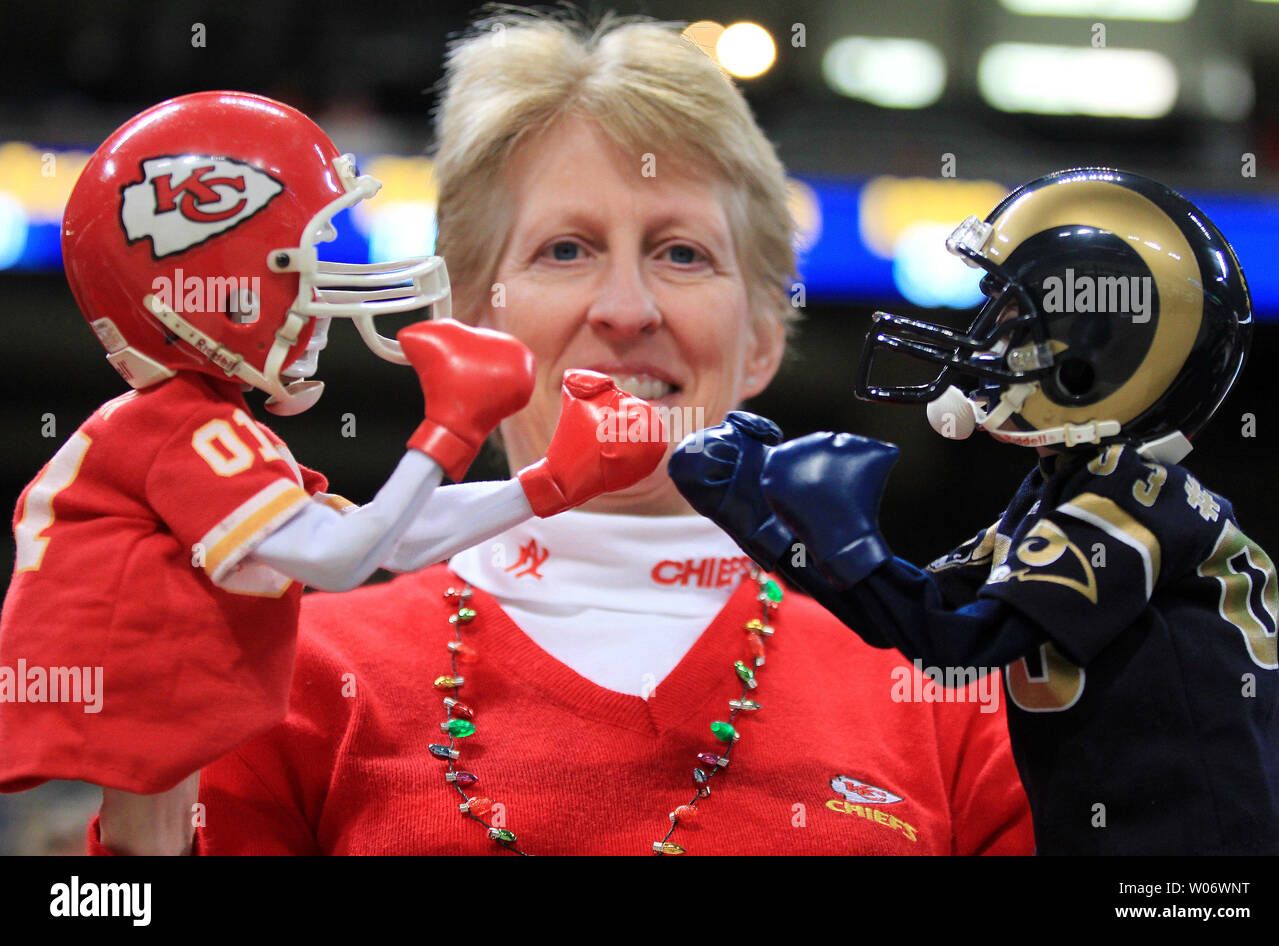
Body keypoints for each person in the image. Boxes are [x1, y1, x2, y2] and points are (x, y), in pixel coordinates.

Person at [88, 10, 1033, 856]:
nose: (625, 309)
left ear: (761, 341)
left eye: (681, 253)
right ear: (470, 325)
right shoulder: (288, 673)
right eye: (565, 250)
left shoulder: (945, 697)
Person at [0, 89, 664, 845]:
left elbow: (386, 540)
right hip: (132, 717)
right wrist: (448, 428)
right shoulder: (176, 432)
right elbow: (344, 560)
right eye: (303, 265)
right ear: (222, 284)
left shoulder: (194, 428)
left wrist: (546, 483)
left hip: (152, 726)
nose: (323, 293)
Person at [674, 168, 1279, 855]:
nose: (984, 339)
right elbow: (922, 613)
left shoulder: (1139, 500)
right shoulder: (1070, 490)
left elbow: (958, 649)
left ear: (1096, 355)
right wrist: (760, 518)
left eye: (1011, 316)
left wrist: (844, 537)